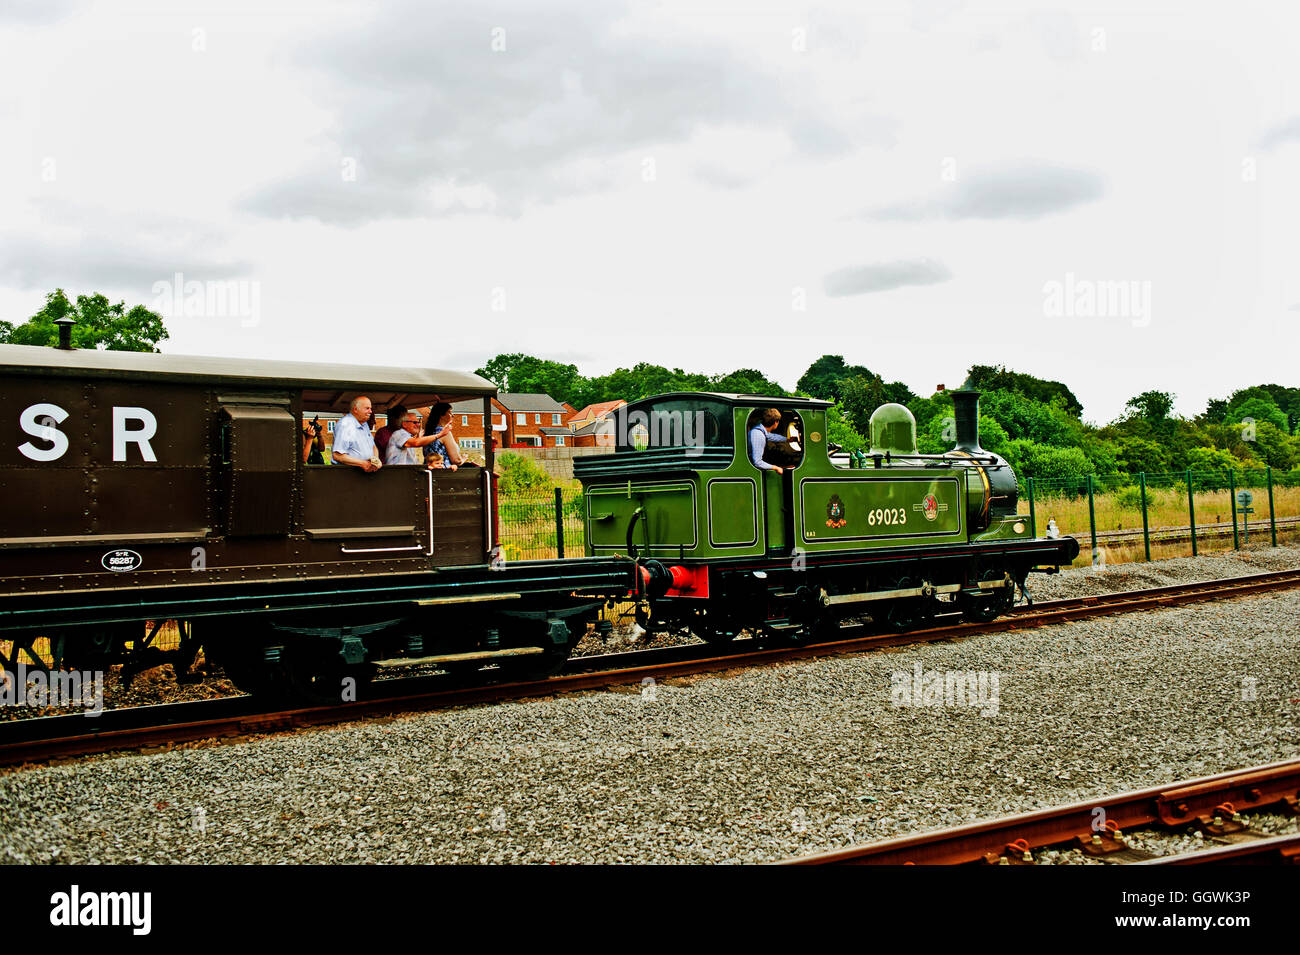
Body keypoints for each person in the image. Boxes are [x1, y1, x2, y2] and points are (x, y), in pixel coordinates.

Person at [332, 396, 381, 472]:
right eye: (367, 408)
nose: (371, 411)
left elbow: (373, 446)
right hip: (348, 474)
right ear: (355, 409)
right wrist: (363, 463)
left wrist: (376, 460)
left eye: (370, 408)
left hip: (364, 474)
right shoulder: (346, 425)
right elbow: (337, 455)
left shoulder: (364, 424)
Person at [424, 402, 468, 470]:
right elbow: (456, 460)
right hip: (444, 471)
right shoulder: (444, 433)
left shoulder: (428, 432)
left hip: (428, 470)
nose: (452, 415)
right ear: (441, 415)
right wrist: (463, 459)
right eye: (449, 412)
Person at [749, 407, 790, 475]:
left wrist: (787, 439)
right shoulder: (758, 434)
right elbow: (757, 462)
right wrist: (776, 468)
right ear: (776, 422)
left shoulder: (760, 429)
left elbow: (771, 436)